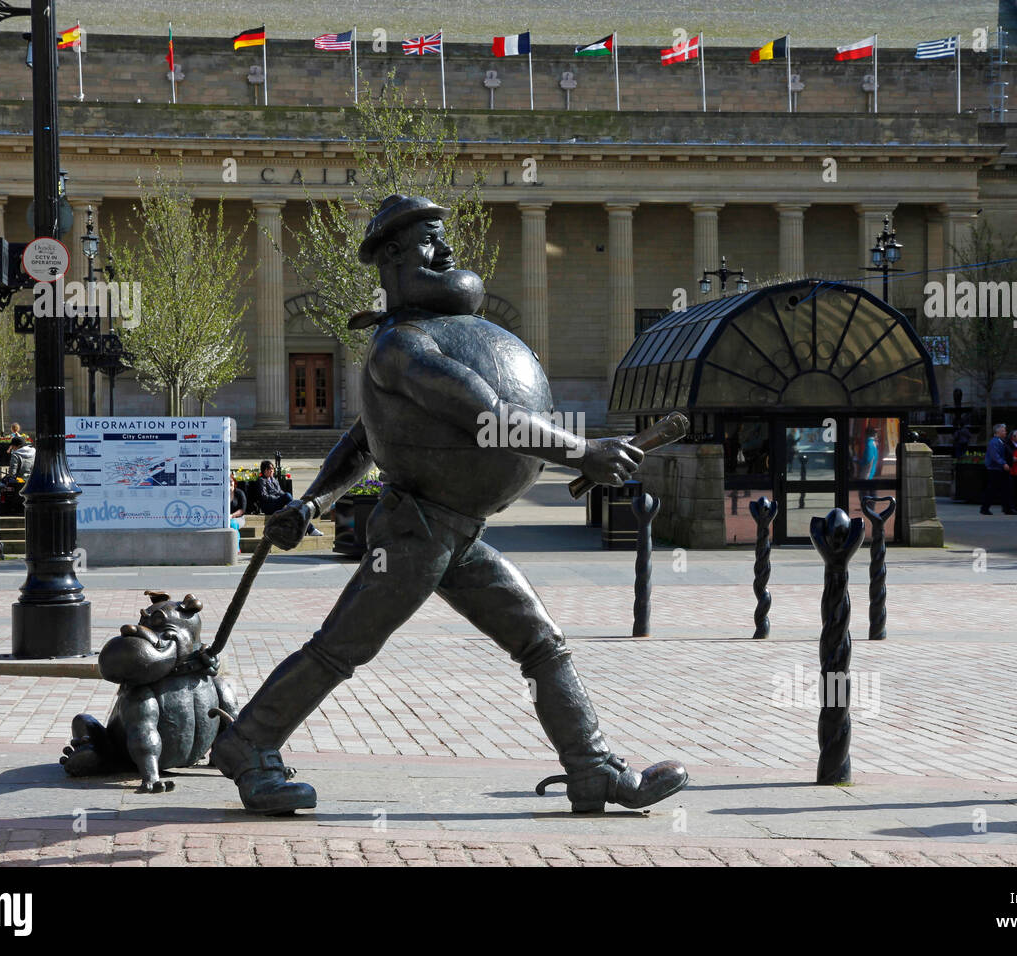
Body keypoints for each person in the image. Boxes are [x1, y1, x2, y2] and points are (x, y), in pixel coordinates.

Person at [210, 194, 688, 815]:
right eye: (430, 241)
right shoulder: (400, 347)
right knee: (340, 648)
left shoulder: (415, 338)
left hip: (452, 532)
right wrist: (584, 452)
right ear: (391, 258)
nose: (448, 250)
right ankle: (249, 742)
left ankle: (592, 769)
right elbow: (486, 414)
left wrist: (311, 505)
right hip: (417, 532)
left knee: (541, 641)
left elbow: (360, 442)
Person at [980, 423, 1017, 515]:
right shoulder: (994, 442)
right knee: (993, 489)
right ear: (998, 432)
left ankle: (1007, 508)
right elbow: (995, 455)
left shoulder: (1001, 441)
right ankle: (985, 508)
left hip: (1000, 469)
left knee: (1006, 488)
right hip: (995, 469)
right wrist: (1004, 463)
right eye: (1003, 430)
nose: (1005, 432)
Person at [229, 475, 248, 554]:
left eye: (231, 481)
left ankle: (236, 548)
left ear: (234, 482)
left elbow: (242, 510)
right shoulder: (223, 494)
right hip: (226, 518)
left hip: (239, 518)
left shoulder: (240, 493)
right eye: (227, 481)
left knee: (233, 523)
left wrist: (232, 515)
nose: (230, 483)